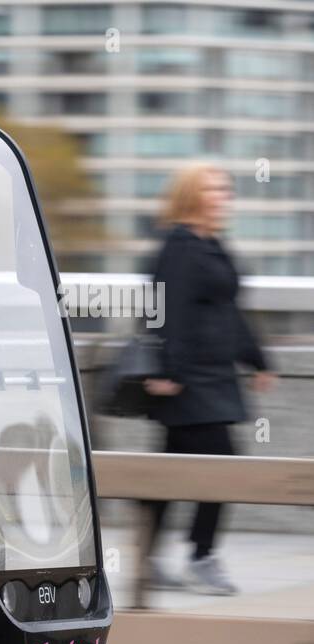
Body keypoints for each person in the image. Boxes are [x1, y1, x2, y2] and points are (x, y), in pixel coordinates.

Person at [141, 163, 274, 597]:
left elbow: (228, 311)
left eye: (225, 188)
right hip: (187, 380)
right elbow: (165, 311)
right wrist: (166, 369)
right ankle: (201, 557)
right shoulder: (178, 246)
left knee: (170, 475)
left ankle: (150, 557)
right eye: (213, 188)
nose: (223, 195)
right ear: (191, 195)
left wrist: (257, 359)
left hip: (216, 378)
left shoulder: (214, 245)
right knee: (220, 468)